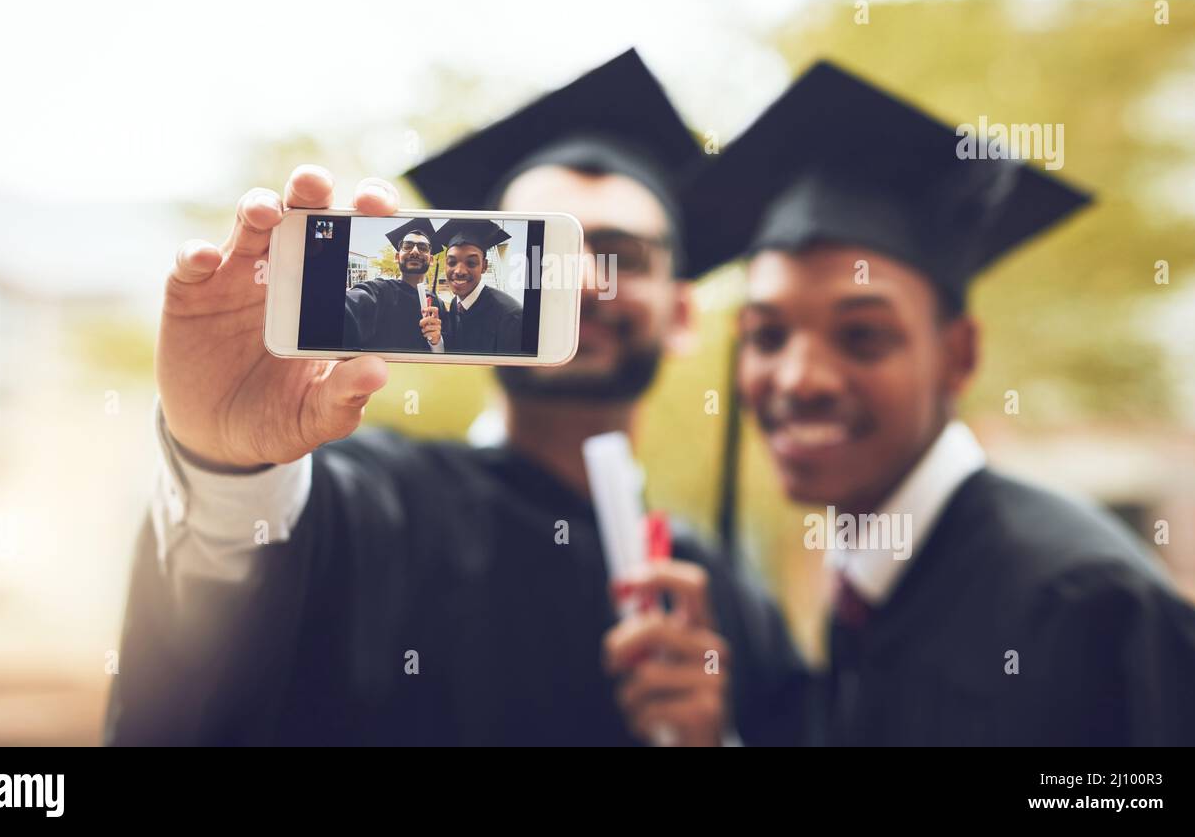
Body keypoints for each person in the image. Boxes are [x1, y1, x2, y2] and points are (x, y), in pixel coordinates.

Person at [105, 49, 806, 746]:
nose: (588, 283)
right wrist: (228, 467)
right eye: (548, 254)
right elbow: (238, 580)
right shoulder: (375, 507)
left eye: (623, 256)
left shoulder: (726, 600)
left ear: (684, 315)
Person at [684, 60, 1195, 746]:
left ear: (959, 355)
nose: (799, 379)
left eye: (862, 335)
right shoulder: (867, 587)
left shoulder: (1088, 610)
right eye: (767, 335)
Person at [341, 218, 447, 352]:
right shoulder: (379, 291)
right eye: (407, 246)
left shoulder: (438, 304)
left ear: (431, 260)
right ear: (397, 257)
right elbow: (350, 306)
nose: (415, 251)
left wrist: (436, 341)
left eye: (423, 247)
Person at [432, 219, 523, 354]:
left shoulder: (510, 316)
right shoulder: (455, 304)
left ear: (484, 266)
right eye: (452, 262)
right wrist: (436, 340)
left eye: (471, 263)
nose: (459, 271)